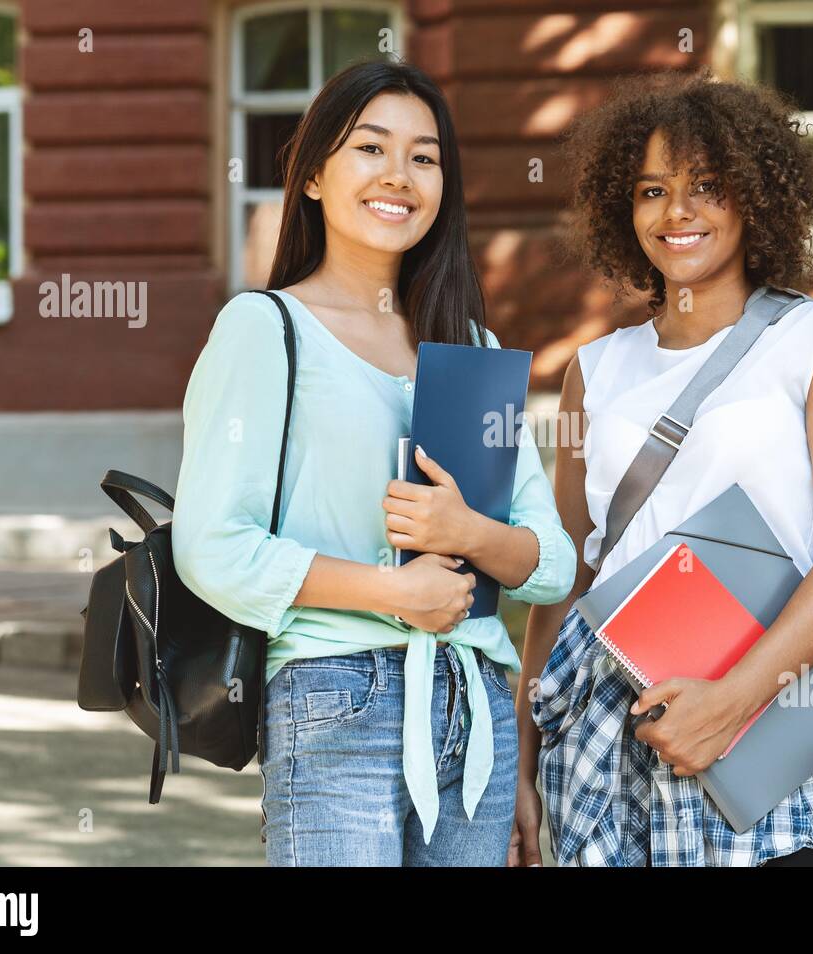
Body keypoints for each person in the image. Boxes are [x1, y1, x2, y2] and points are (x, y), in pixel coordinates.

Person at [171, 60, 576, 866]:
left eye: (424, 157)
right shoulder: (266, 330)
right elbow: (212, 546)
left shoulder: (468, 349)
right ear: (314, 174)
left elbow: (553, 563)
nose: (400, 175)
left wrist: (467, 531)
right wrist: (396, 592)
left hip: (477, 708)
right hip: (335, 697)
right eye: (370, 148)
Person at [510, 72, 813, 867]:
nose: (676, 212)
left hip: (758, 726)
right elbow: (568, 577)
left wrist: (730, 703)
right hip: (598, 741)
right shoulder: (597, 367)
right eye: (652, 190)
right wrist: (518, 763)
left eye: (705, 186)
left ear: (755, 196)